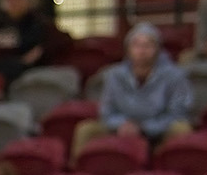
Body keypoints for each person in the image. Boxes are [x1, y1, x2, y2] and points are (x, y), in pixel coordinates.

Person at [73, 23, 194, 152]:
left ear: (157, 49)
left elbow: (178, 113)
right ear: (128, 49)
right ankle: (79, 169)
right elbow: (106, 111)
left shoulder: (175, 76)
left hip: (159, 129)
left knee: (181, 128)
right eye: (136, 45)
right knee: (86, 130)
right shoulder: (114, 75)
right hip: (123, 127)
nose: (142, 50)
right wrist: (122, 125)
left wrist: (144, 127)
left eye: (147, 45)